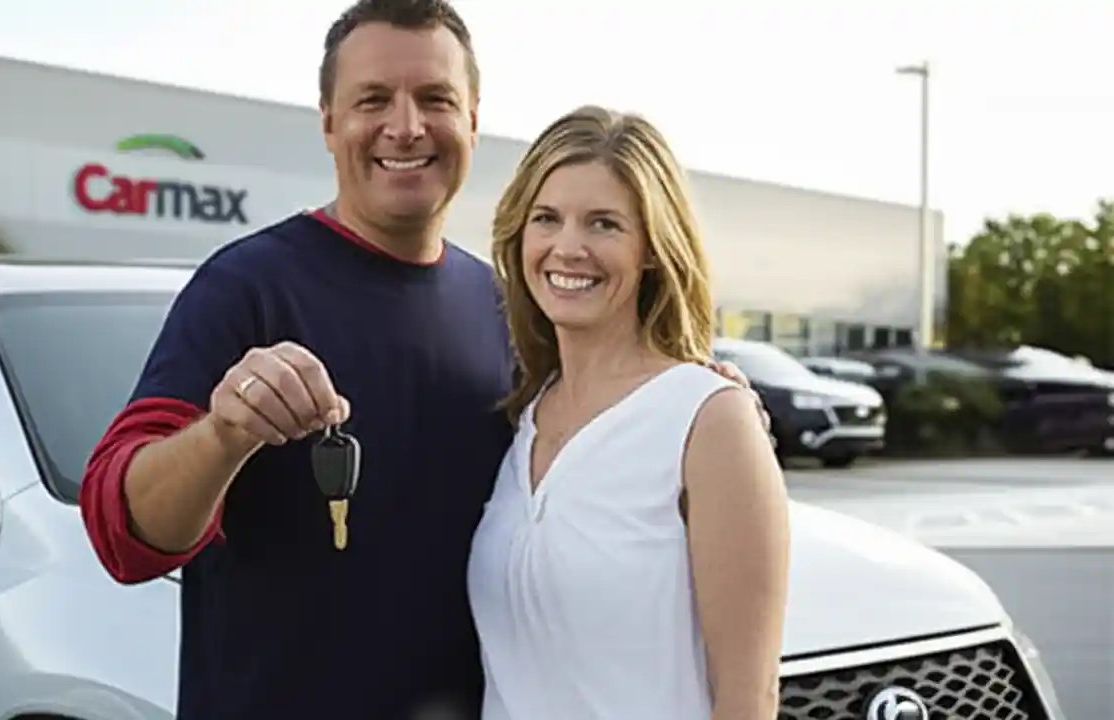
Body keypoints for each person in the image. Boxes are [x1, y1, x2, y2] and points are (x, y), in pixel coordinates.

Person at [78, 1, 766, 718]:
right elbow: (123, 540)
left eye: (434, 99)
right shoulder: (245, 289)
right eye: (372, 99)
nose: (405, 127)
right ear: (328, 123)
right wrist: (223, 435)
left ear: (471, 120)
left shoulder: (510, 312)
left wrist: (702, 414)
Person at [466, 106, 790, 720]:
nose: (569, 247)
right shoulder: (522, 419)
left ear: (650, 249)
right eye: (547, 219)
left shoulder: (708, 419)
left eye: (604, 224)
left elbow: (748, 699)